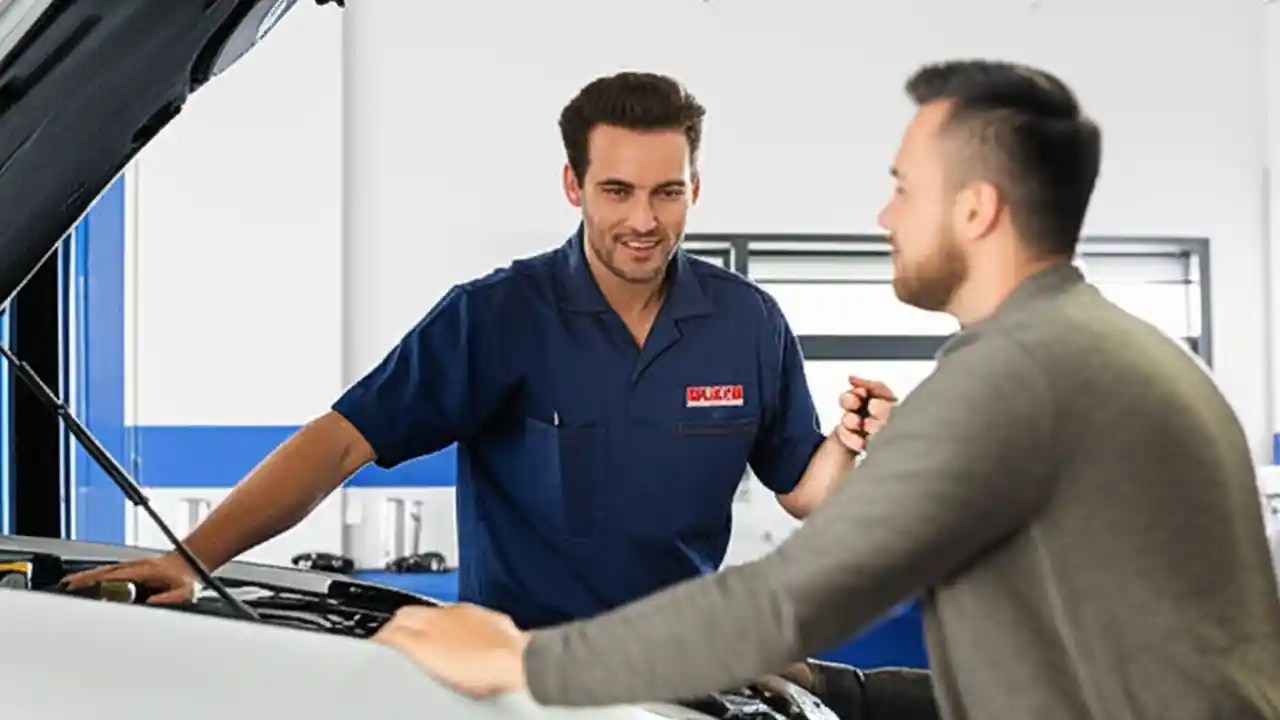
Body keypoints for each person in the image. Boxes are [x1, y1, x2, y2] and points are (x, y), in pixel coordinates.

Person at [369, 59, 1280, 720]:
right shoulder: (1123, 353)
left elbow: (786, 598)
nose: (883, 217)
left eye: (902, 191)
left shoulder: (1016, 373)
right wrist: (836, 686)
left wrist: (524, 659)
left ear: (976, 212)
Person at [63, 70, 900, 663]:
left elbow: (807, 489)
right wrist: (192, 557)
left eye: (667, 192)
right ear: (573, 185)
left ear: (695, 187)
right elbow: (340, 443)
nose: (644, 220)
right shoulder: (495, 317)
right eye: (617, 191)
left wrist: (856, 445)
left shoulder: (746, 322)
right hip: (516, 680)